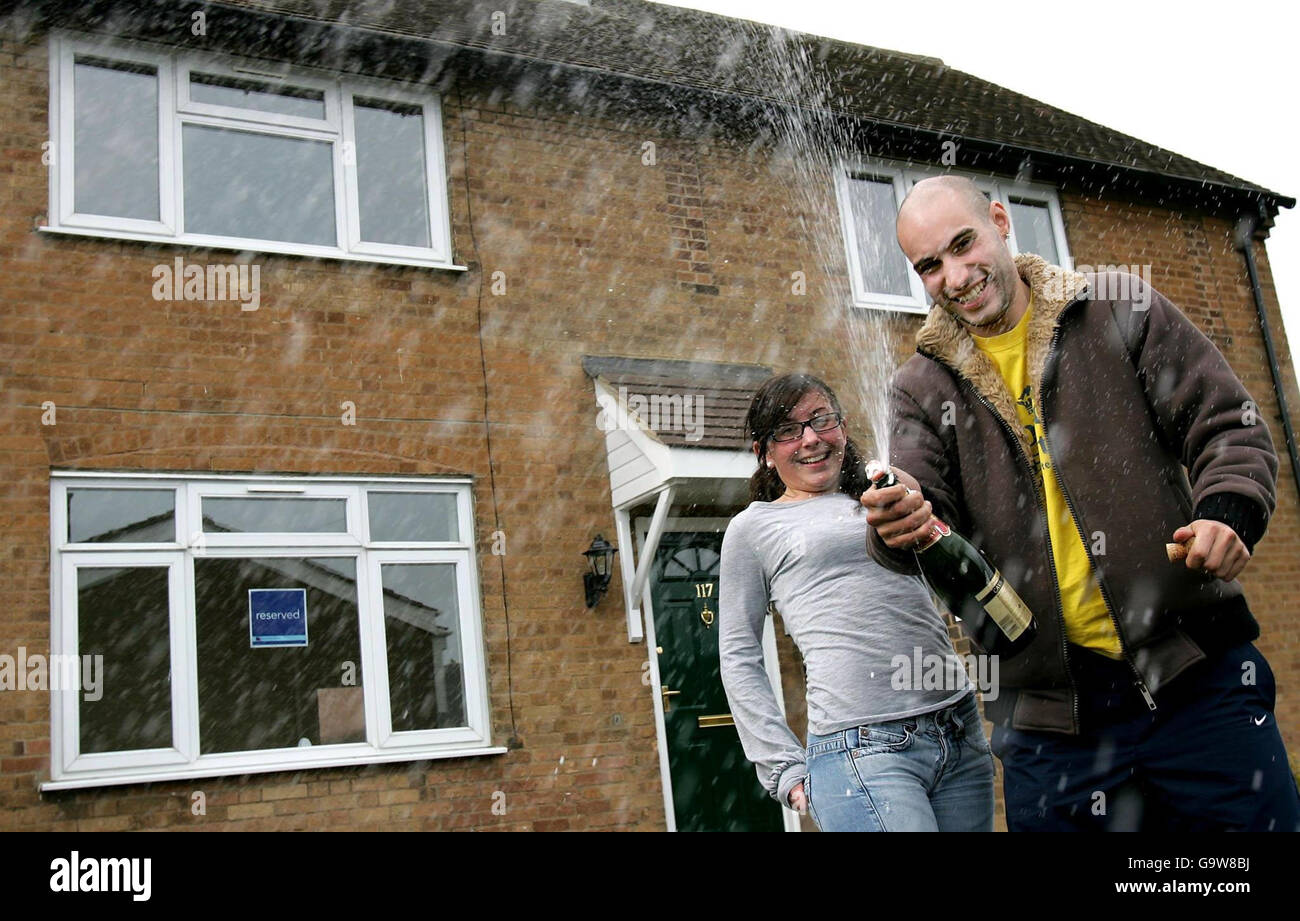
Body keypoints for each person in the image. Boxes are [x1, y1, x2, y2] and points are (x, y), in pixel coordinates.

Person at [863, 174, 1300, 831]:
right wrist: (902, 521)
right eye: (930, 265)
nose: (955, 275)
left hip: (1198, 682)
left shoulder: (1119, 306)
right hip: (1050, 724)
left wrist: (1226, 511)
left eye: (963, 244)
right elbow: (922, 505)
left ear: (1002, 223)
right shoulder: (920, 387)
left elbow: (1228, 426)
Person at [718, 372, 994, 831]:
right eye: (787, 430)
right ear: (764, 453)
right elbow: (739, 654)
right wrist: (781, 766)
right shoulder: (754, 528)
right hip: (863, 747)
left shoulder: (883, 498)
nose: (810, 439)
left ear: (842, 428)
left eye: (820, 420)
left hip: (958, 724)